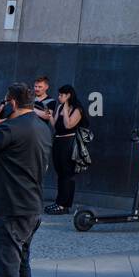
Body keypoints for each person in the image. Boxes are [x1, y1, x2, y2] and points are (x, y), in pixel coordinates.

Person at [0, 82, 52, 277]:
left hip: (11, 208)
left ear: (12, 103)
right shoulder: (41, 127)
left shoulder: (10, 128)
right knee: (22, 265)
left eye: (5, 102)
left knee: (5, 271)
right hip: (31, 207)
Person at [44, 84, 86, 215]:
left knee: (68, 173)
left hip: (69, 142)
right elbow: (56, 125)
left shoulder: (77, 110)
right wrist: (49, 115)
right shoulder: (60, 107)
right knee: (60, 173)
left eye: (62, 95)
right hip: (58, 141)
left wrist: (67, 106)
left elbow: (68, 125)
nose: (59, 97)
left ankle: (64, 204)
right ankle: (59, 202)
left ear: (68, 96)